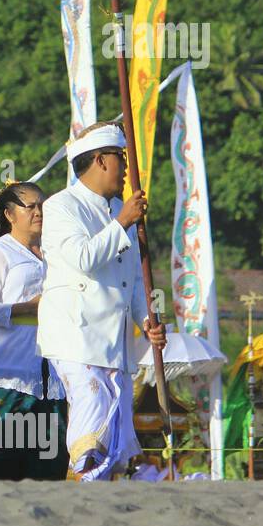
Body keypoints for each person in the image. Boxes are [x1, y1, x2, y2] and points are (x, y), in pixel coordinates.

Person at [37, 122, 166, 481]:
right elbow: (82, 257)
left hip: (116, 342)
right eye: (120, 158)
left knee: (119, 423)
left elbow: (134, 279)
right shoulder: (62, 206)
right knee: (91, 411)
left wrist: (147, 320)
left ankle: (112, 484)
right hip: (76, 337)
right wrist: (122, 221)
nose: (126, 167)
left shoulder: (118, 211)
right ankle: (84, 476)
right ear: (100, 160)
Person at [0, 182, 68, 481]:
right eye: (31, 206)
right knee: (11, 450)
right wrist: (24, 308)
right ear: (10, 214)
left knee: (53, 455)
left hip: (55, 367)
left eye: (42, 206)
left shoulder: (56, 251)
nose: (39, 212)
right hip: (13, 368)